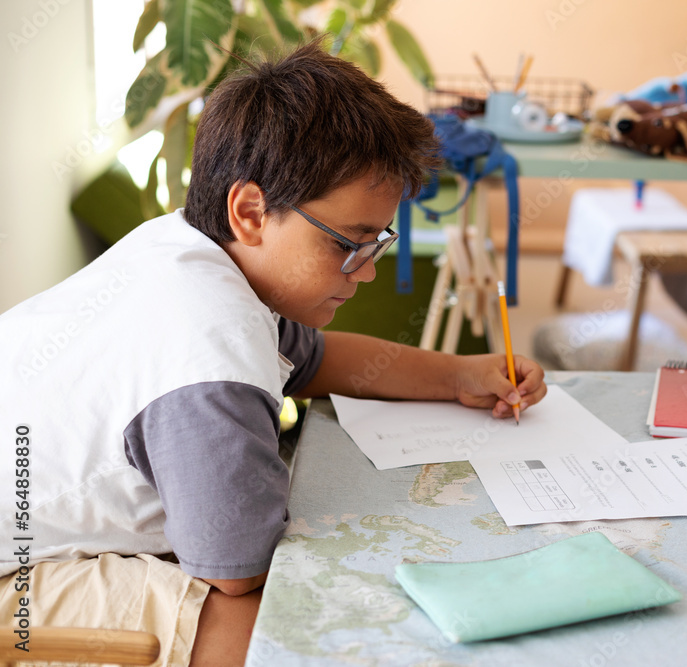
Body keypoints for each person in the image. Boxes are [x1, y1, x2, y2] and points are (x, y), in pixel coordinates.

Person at [0, 42, 546, 666]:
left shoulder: (193, 246)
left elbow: (316, 361)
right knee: (278, 623)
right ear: (251, 210)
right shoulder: (209, 356)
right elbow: (235, 569)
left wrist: (458, 375)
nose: (365, 273)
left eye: (377, 242)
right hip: (16, 573)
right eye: (352, 243)